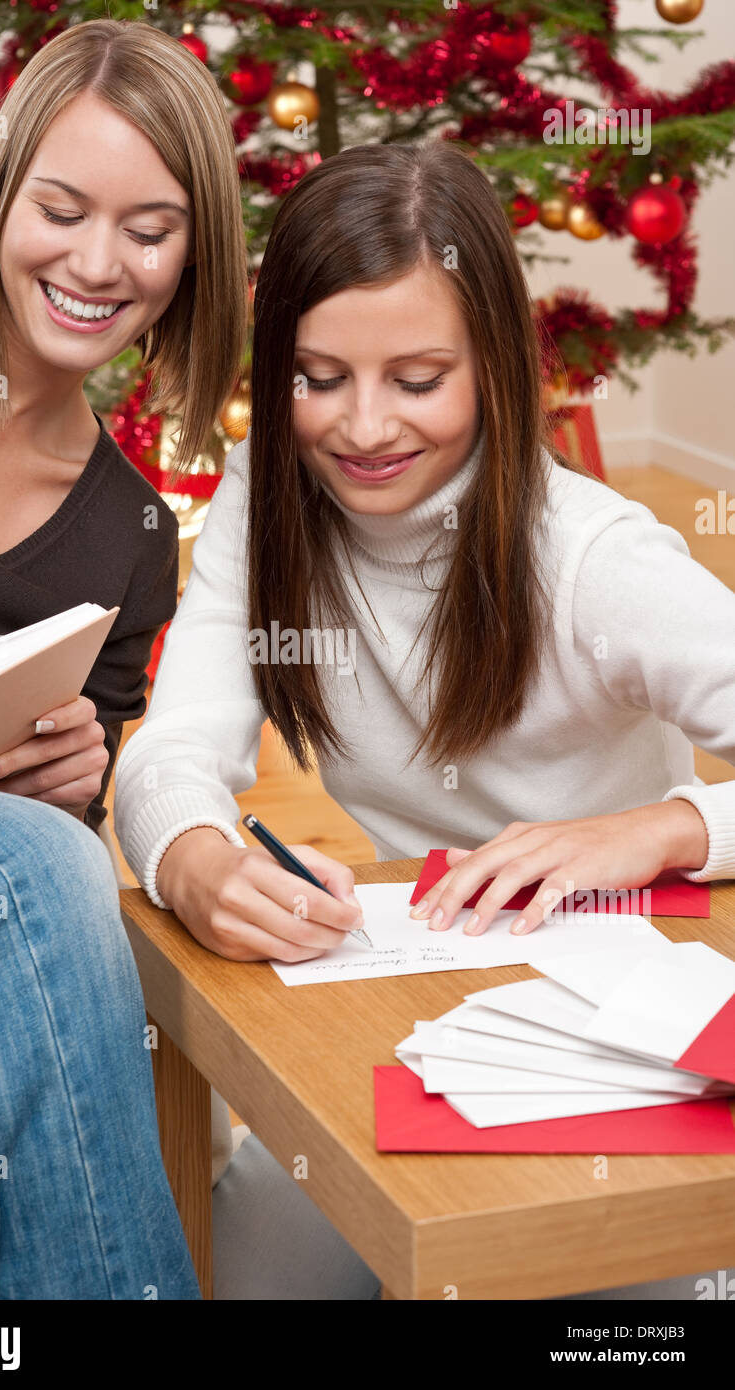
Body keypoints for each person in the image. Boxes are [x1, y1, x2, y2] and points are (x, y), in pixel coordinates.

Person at [113, 140, 735, 1300]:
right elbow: (174, 744)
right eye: (319, 376)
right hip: (408, 1015)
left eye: (416, 378)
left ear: (493, 364)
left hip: (624, 1048)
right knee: (257, 1258)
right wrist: (189, 854)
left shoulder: (593, 558)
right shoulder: (268, 499)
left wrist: (664, 829)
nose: (361, 429)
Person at [0, 16, 249, 1299]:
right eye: (63, 209)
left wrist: (72, 779)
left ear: (193, 255)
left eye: (148, 230)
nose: (98, 263)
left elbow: (47, 892)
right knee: (29, 869)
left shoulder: (132, 532)